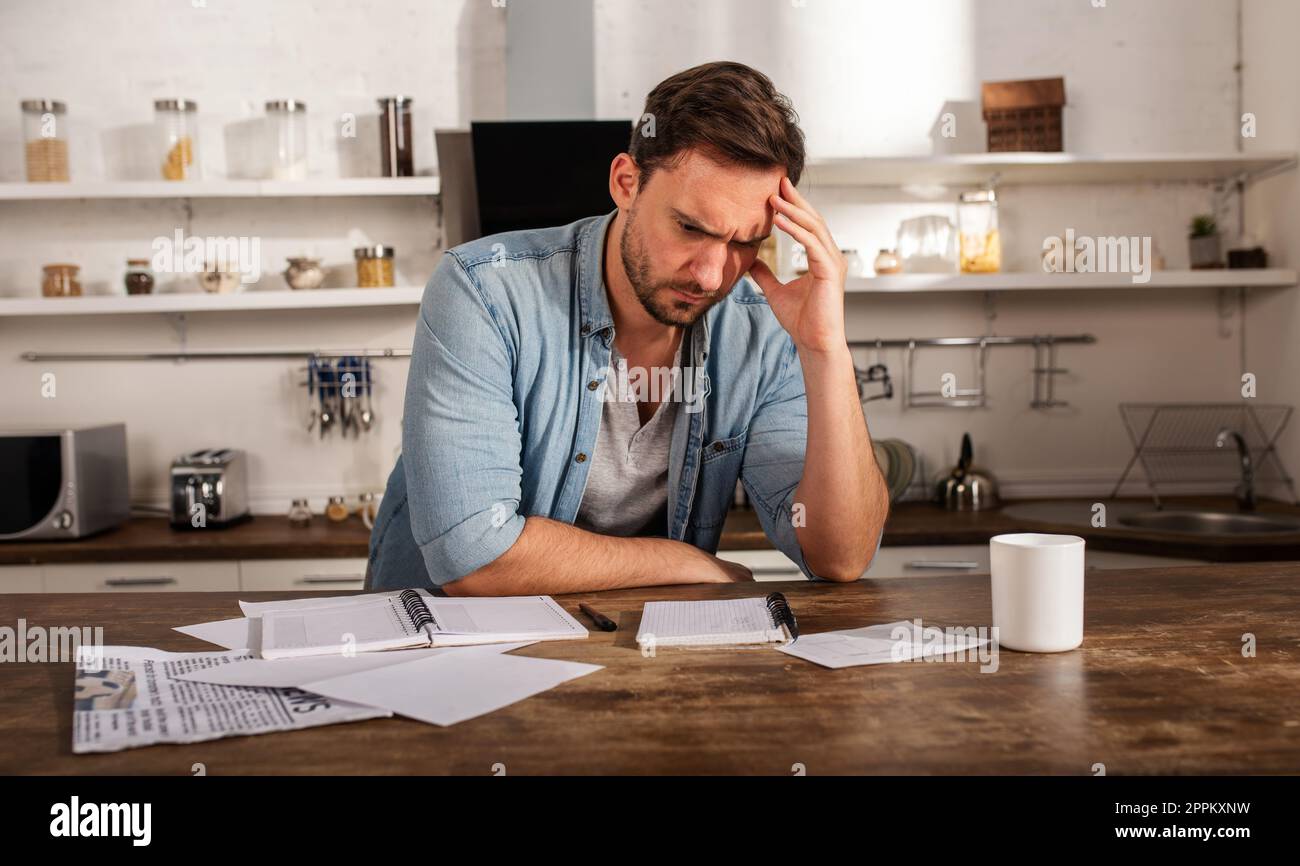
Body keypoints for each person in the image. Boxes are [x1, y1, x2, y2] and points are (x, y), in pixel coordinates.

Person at [367, 60, 889, 595]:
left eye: (743, 242)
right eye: (690, 228)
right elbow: (474, 558)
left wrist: (825, 349)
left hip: (634, 655)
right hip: (438, 653)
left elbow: (839, 555)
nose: (712, 275)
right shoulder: (483, 292)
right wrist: (684, 562)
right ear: (626, 183)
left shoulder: (762, 335)